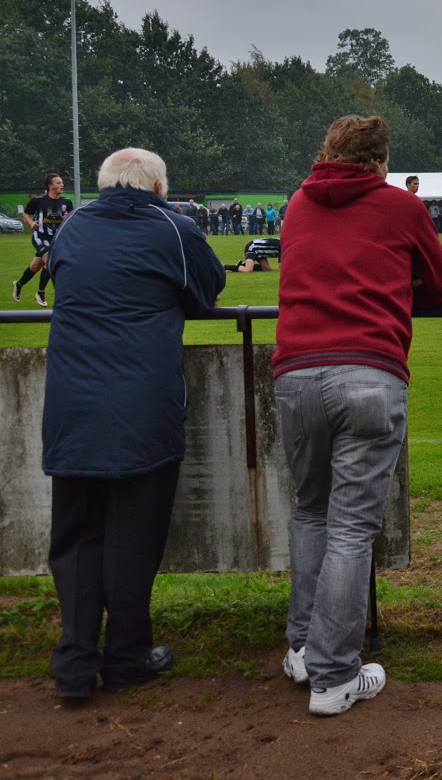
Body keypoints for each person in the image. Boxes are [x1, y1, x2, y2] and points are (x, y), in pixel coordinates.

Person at [273, 115, 442, 716]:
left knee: (311, 512)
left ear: (327, 152)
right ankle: (333, 676)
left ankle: (304, 649)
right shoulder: (401, 207)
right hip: (368, 371)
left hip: (296, 373)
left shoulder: (298, 203)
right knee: (351, 527)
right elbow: (440, 288)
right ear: (380, 161)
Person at [40, 147, 226, 699]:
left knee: (75, 534)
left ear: (104, 184)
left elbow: (63, 277)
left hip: (71, 403)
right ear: (159, 186)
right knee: (132, 535)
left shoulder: (72, 225)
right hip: (142, 405)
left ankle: (74, 664)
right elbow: (209, 290)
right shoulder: (174, 228)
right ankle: (124, 658)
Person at [14, 171, 72, 307]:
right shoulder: (38, 201)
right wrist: (31, 223)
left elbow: (70, 218)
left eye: (62, 182)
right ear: (50, 186)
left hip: (56, 239)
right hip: (40, 236)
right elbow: (26, 214)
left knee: (35, 266)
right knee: (49, 261)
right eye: (58, 183)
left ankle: (18, 284)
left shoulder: (67, 202)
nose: (62, 185)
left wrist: (66, 218)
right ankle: (41, 292)